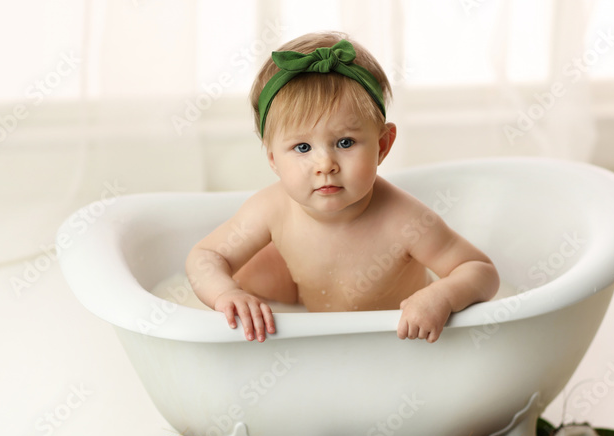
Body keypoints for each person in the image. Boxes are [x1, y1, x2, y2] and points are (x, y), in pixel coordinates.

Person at [185, 31, 499, 343]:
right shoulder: (271, 208)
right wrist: (227, 294)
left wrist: (441, 296)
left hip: (393, 340)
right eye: (303, 147)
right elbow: (204, 256)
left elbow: (480, 270)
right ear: (273, 160)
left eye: (345, 142)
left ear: (382, 145)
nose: (325, 165)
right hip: (319, 330)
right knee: (249, 270)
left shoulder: (405, 219)